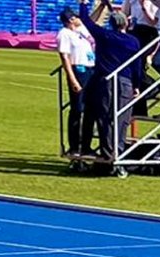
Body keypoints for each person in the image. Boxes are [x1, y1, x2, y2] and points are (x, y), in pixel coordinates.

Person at [77, 3, 139, 165]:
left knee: (105, 117)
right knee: (122, 118)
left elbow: (86, 21)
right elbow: (136, 65)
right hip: (125, 82)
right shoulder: (133, 41)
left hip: (105, 81)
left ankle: (108, 152)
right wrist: (137, 85)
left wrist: (83, 4)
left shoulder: (105, 36)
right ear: (126, 24)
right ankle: (118, 150)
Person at [57, 8, 95, 156]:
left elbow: (92, 21)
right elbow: (64, 57)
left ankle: (86, 145)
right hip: (79, 70)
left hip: (91, 68)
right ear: (71, 20)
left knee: (90, 110)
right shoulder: (64, 34)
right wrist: (72, 79)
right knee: (78, 109)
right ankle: (74, 145)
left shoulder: (81, 31)